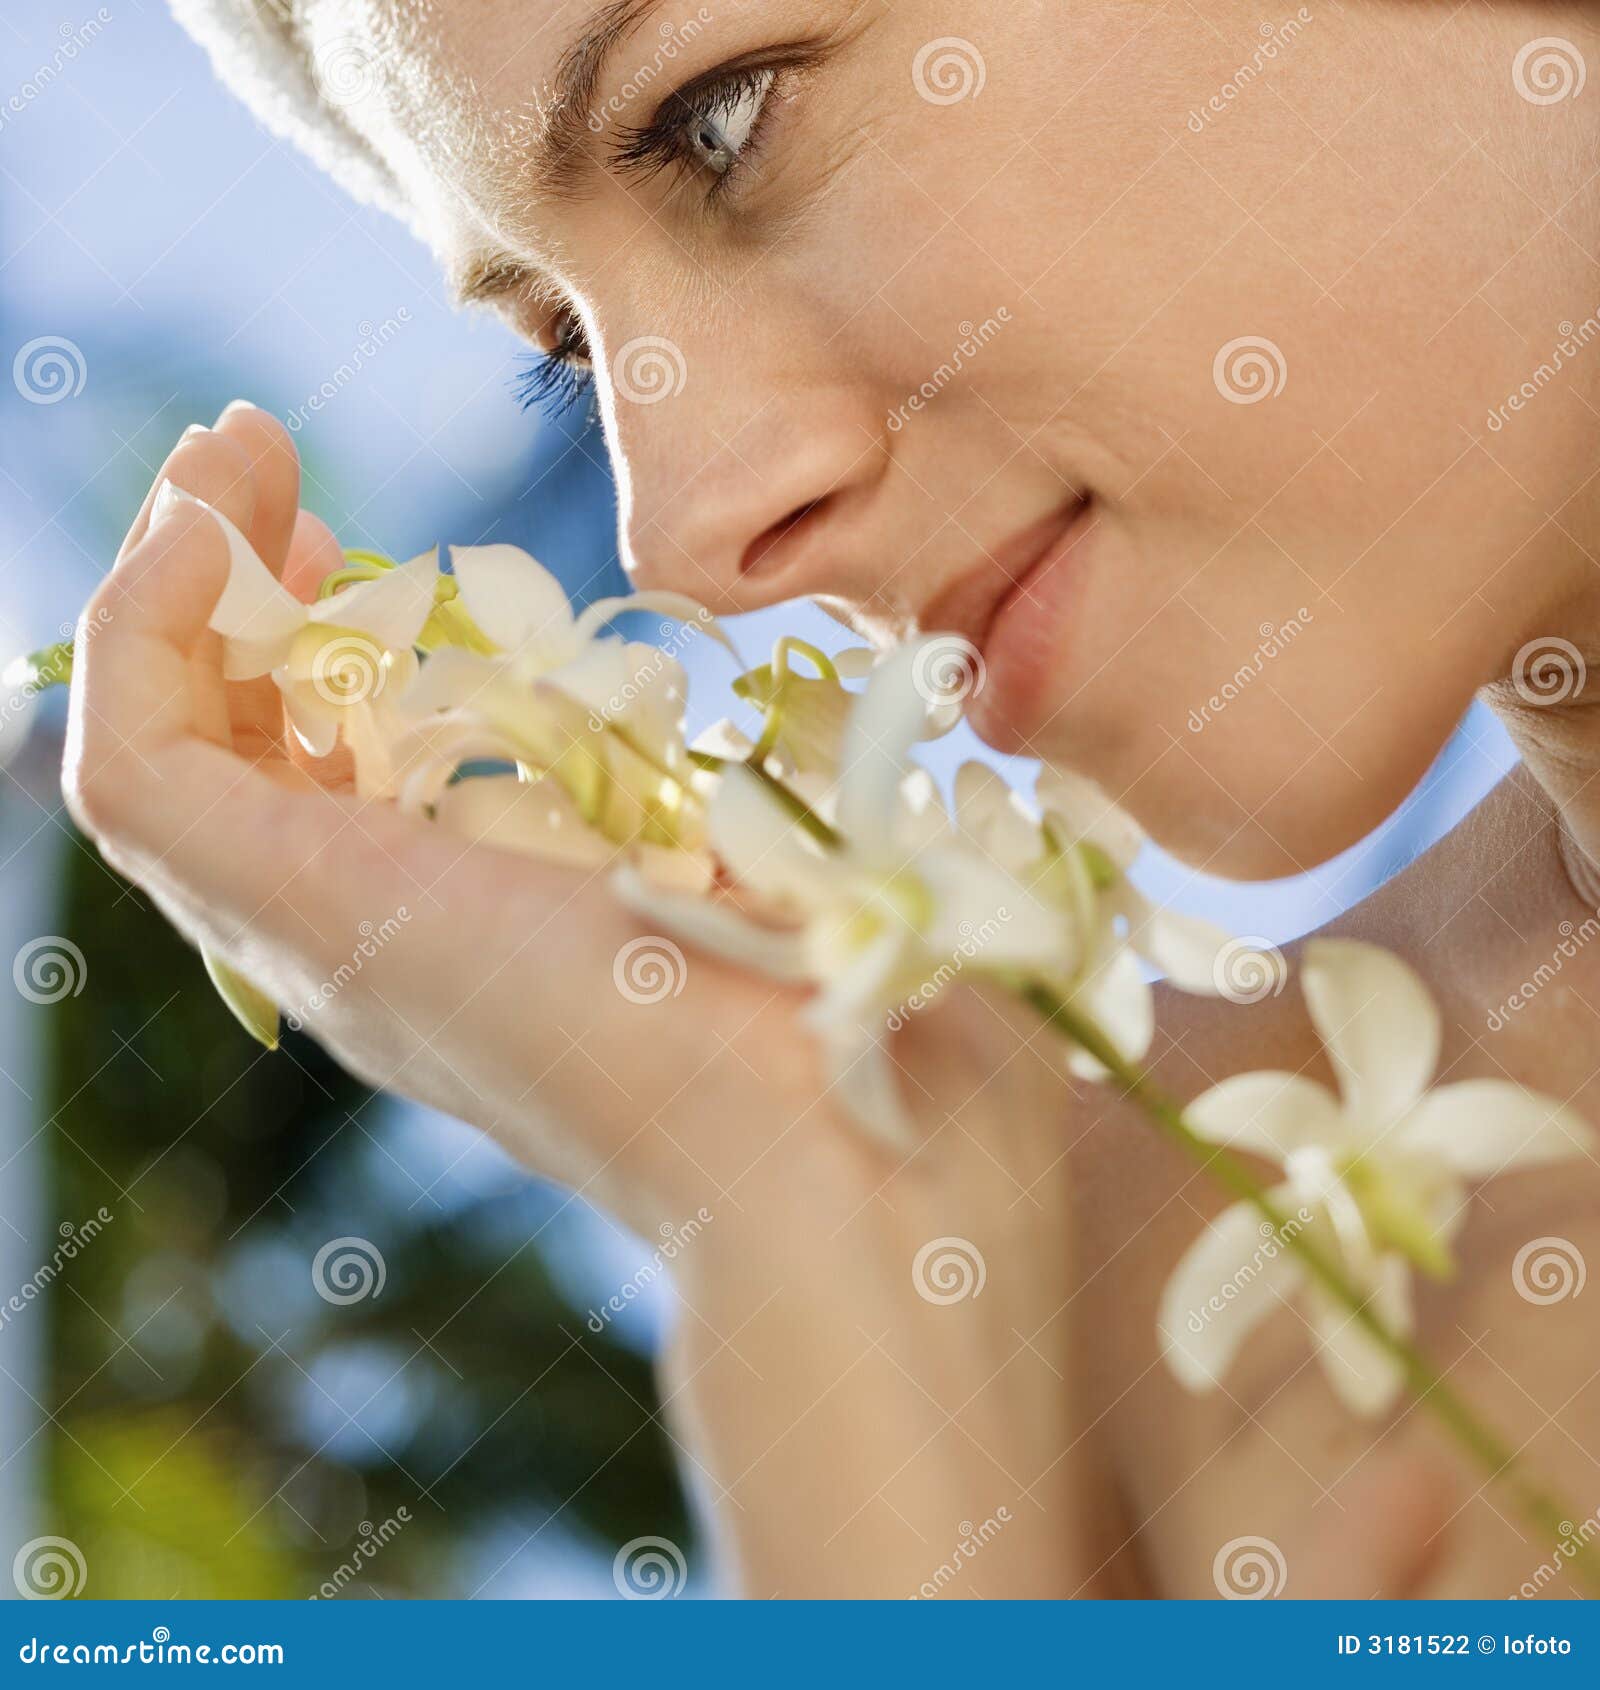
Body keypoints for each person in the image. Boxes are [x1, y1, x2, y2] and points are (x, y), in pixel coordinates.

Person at [64, 0, 1599, 1596]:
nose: (678, 528)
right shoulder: (1138, 1352)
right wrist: (790, 1217)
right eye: (575, 356)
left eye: (722, 118)